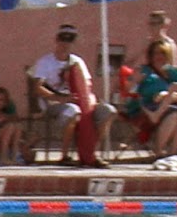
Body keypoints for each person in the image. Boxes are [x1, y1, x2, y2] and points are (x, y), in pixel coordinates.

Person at [30, 24, 114, 166]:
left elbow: (85, 85)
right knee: (73, 111)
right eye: (63, 39)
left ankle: (90, 151)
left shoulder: (77, 62)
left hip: (78, 101)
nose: (65, 43)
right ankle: (64, 155)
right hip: (53, 103)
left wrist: (90, 101)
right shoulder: (45, 62)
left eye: (69, 40)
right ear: (57, 39)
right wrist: (60, 99)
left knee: (108, 112)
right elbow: (38, 88)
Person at [126, 40, 177, 160]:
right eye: (155, 53)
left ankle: (173, 153)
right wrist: (134, 80)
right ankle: (158, 152)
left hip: (169, 105)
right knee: (173, 112)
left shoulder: (174, 73)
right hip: (146, 107)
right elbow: (131, 89)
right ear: (150, 56)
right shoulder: (144, 71)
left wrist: (168, 96)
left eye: (162, 53)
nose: (159, 56)